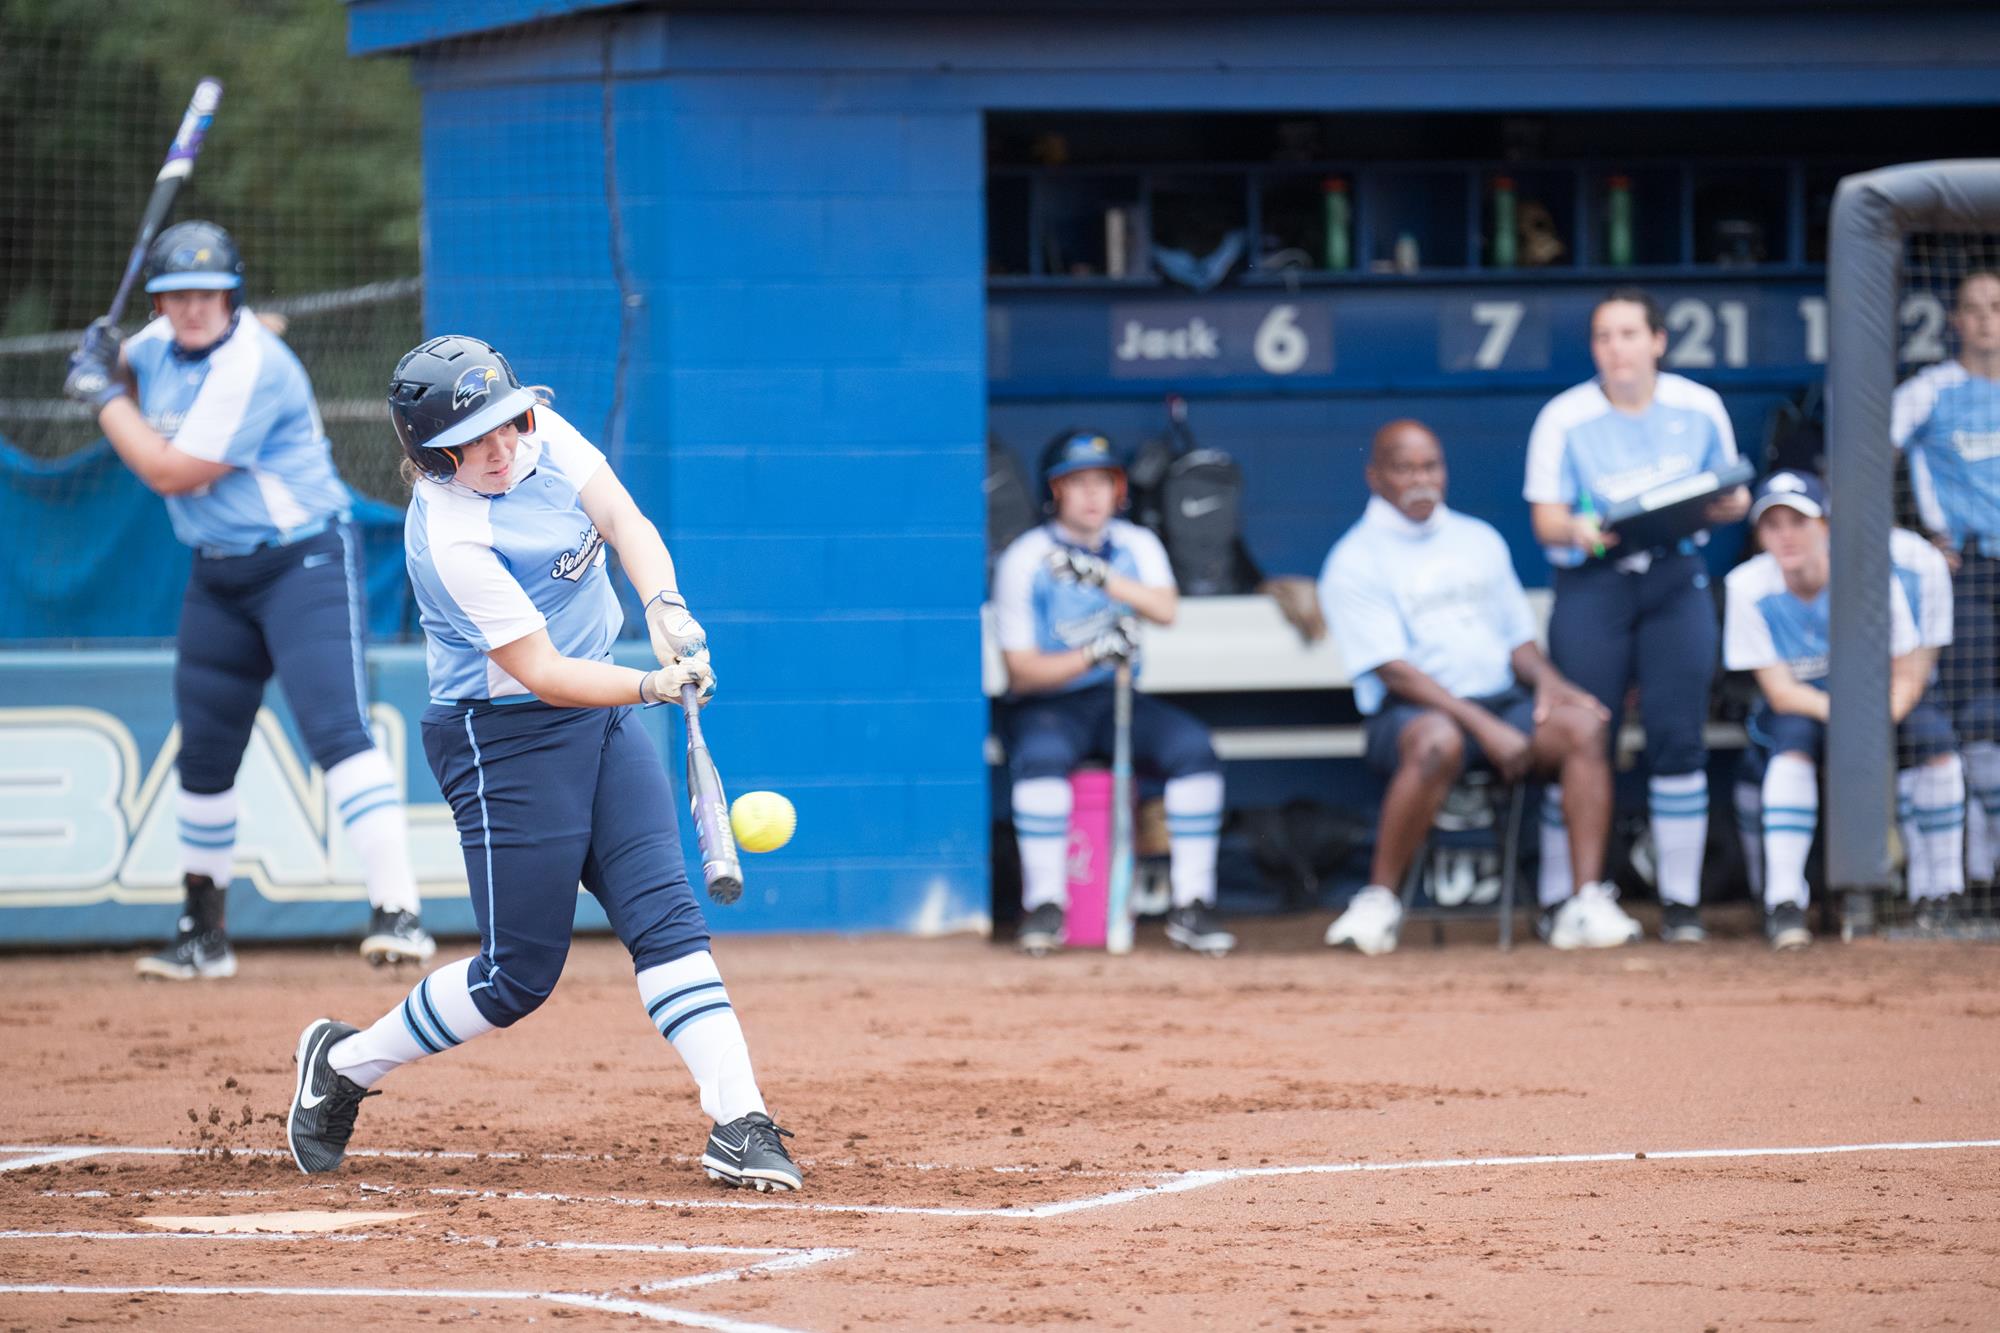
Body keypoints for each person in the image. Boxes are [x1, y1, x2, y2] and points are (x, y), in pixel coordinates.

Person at [284, 335, 801, 1191]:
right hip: (504, 736)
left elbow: (624, 522)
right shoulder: (451, 538)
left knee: (667, 921)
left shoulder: (543, 435)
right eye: (475, 438)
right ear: (431, 456)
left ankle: (738, 1119)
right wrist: (650, 681)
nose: (504, 445)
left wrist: (666, 609)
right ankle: (344, 1063)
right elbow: (544, 673)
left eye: (509, 421)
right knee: (516, 976)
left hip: (600, 719)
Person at [61, 220, 434, 979]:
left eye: (207, 292)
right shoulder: (156, 344)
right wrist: (106, 361)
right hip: (218, 572)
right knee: (203, 753)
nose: (191, 307)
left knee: (335, 729)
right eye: (174, 295)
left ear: (231, 296)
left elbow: (171, 471)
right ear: (159, 302)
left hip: (301, 562)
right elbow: (129, 367)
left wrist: (100, 393)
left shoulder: (254, 365)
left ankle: (399, 912)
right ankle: (203, 934)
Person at [1319, 420, 1635, 955]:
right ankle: (1378, 902)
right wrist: (1483, 728)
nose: (1422, 479)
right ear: (1376, 477)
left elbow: (1518, 644)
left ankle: (1584, 903)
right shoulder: (1354, 558)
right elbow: (1396, 672)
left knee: (1583, 725)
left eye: (1431, 466)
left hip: (1501, 704)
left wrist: (1552, 684)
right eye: (1405, 468)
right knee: (1438, 739)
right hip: (1410, 715)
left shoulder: (1478, 539)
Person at [1523, 287, 1749, 945]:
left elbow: (1729, 489)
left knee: (1677, 734)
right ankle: (1561, 898)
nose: (1615, 348)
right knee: (1582, 734)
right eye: (1602, 336)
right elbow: (1546, 518)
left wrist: (1728, 505)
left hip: (1676, 577)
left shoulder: (1697, 405)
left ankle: (1680, 904)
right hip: (1595, 582)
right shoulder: (1564, 416)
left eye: (1627, 333)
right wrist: (1584, 529)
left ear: (1657, 340)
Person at [991, 429, 1233, 957]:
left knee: (1193, 749)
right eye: (1077, 483)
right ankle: (1045, 905)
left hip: (1117, 698)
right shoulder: (1026, 558)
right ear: (1055, 491)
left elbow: (1165, 609)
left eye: (1103, 481)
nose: (1092, 495)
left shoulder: (1135, 545)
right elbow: (1022, 674)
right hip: (1046, 706)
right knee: (1042, 756)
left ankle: (1192, 904)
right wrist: (1094, 653)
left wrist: (1102, 578)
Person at [1723, 471, 1966, 949]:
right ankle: (1784, 903)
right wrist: (1848, 719)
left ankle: (1942, 894)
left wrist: (1880, 719)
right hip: (1805, 703)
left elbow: (1907, 672)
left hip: (1878, 702)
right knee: (1790, 745)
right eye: (1773, 525)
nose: (1786, 536)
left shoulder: (1868, 574)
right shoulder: (1746, 585)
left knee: (1936, 744)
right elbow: (1781, 692)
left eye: (1799, 521)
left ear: (1827, 526)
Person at [1893, 269, 2000, 885]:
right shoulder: (1929, 390)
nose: (1986, 319)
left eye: (1996, 307)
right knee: (1980, 712)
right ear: (1953, 320)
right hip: (1968, 565)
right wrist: (1914, 532)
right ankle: (1980, 872)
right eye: (1973, 308)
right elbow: (1862, 459)